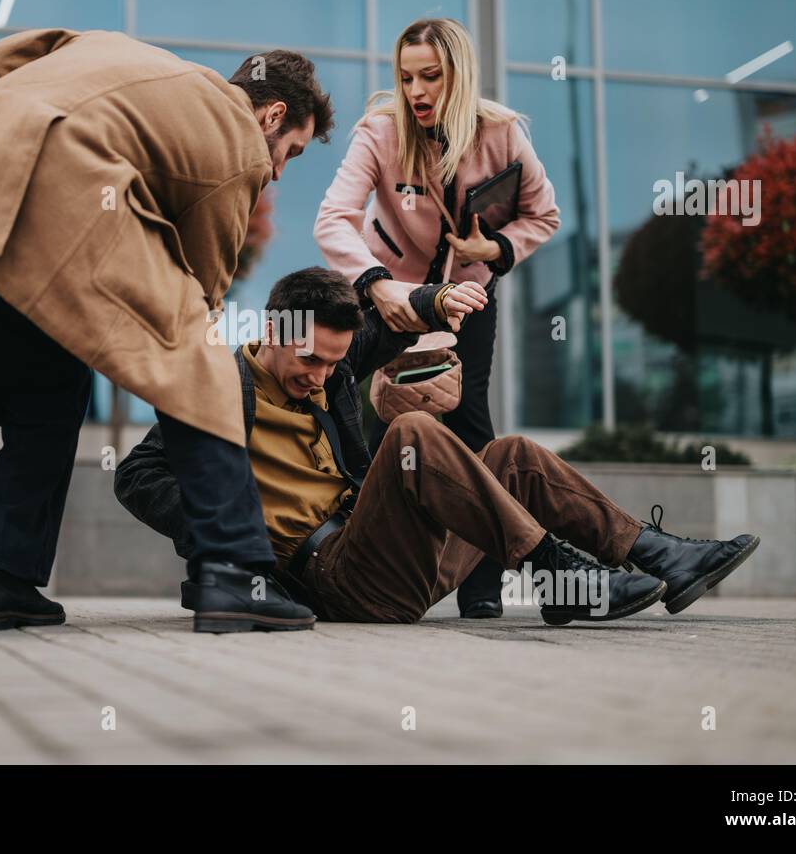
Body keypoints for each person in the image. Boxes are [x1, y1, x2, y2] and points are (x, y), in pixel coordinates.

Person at [0, 28, 334, 633]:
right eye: (290, 151)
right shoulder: (237, 137)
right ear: (272, 115)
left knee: (51, 385)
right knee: (200, 359)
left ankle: (4, 580)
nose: (276, 171)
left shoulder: (123, 55)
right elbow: (203, 291)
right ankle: (232, 573)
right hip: (65, 191)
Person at [115, 268, 759, 628]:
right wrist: (224, 530)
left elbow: (395, 321)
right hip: (333, 578)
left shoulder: (332, 372)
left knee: (514, 455)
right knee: (413, 433)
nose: (321, 375)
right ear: (274, 330)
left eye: (335, 362)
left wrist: (441, 298)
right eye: (309, 358)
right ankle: (554, 571)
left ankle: (661, 556)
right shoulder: (218, 385)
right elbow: (135, 476)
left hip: (389, 551)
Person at [315, 17, 560, 619]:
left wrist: (493, 251)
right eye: (406, 78)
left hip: (467, 295)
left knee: (469, 421)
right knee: (387, 419)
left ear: (460, 75)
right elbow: (332, 218)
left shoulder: (502, 135)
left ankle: (481, 585)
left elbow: (543, 216)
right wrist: (375, 284)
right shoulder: (379, 132)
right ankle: (377, 560)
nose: (417, 92)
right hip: (389, 297)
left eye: (431, 76)